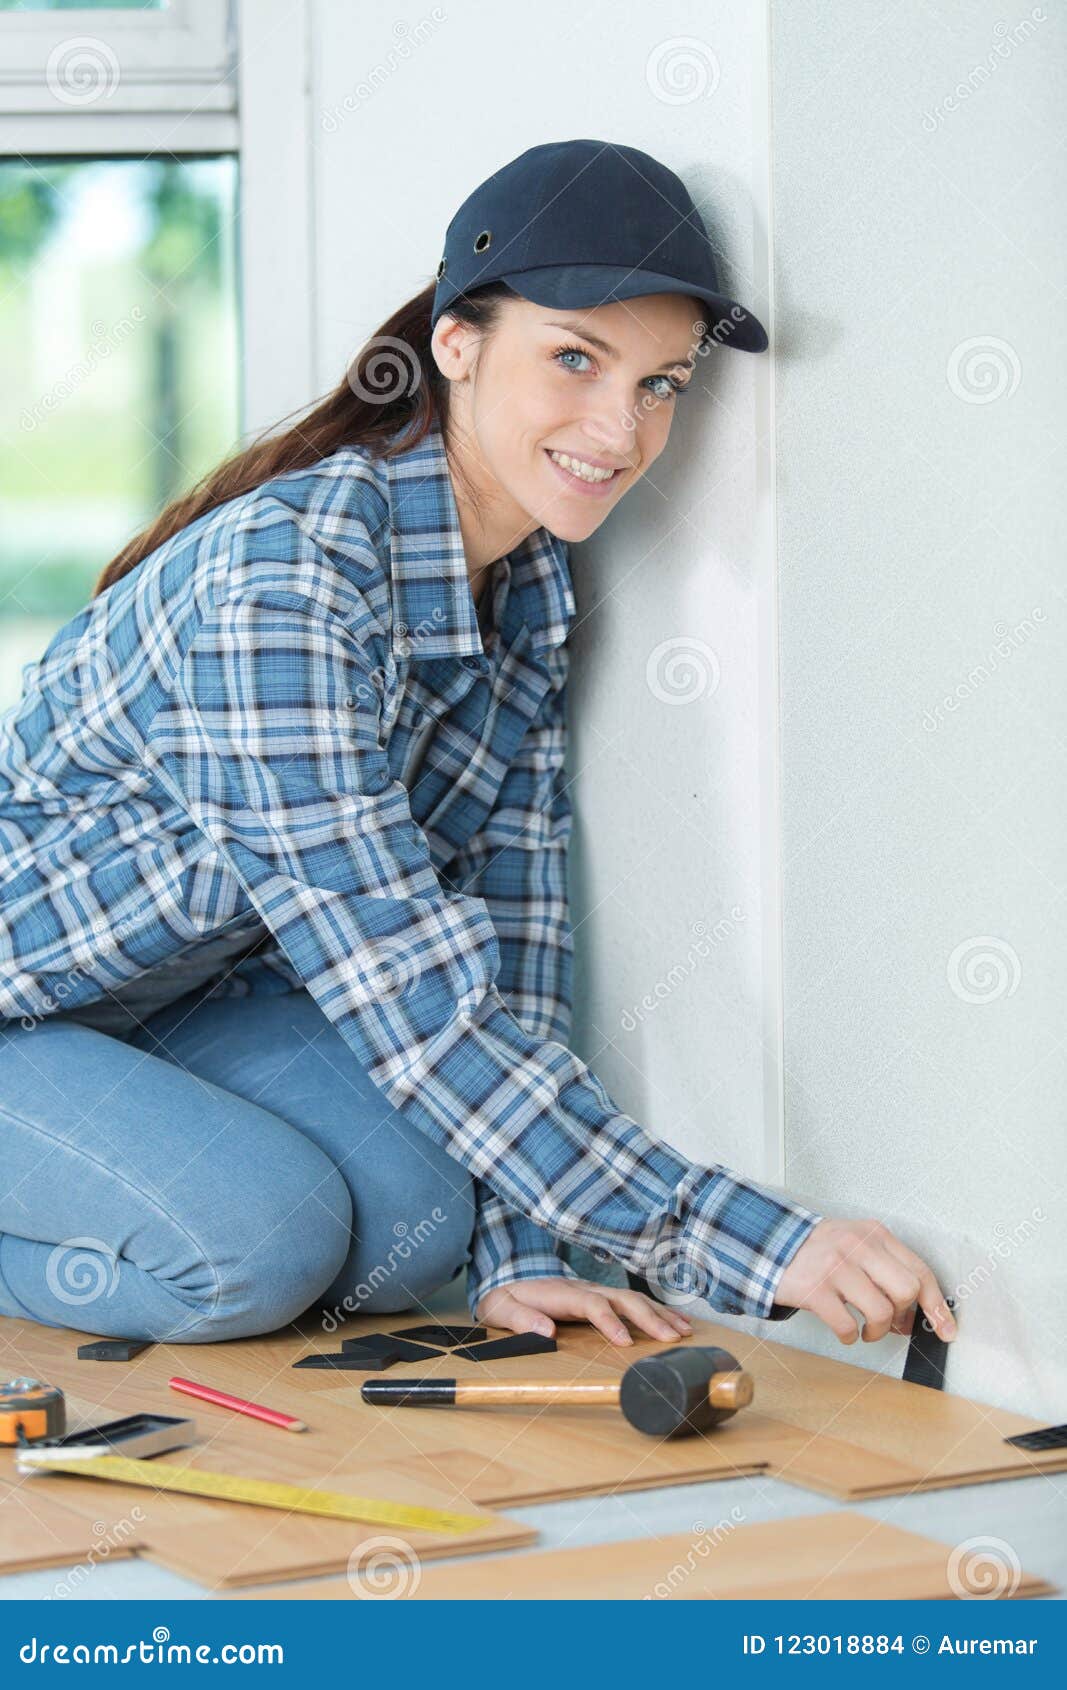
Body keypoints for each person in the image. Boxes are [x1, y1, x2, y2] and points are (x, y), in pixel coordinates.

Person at [0, 139, 956, 1352]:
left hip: (162, 999)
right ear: (455, 345)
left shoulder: (531, 587)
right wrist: (762, 1243)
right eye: (573, 358)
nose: (617, 429)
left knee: (416, 1214)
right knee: (251, 1249)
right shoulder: (285, 585)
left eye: (660, 383)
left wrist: (517, 1249)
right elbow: (403, 983)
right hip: (24, 1001)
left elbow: (505, 934)